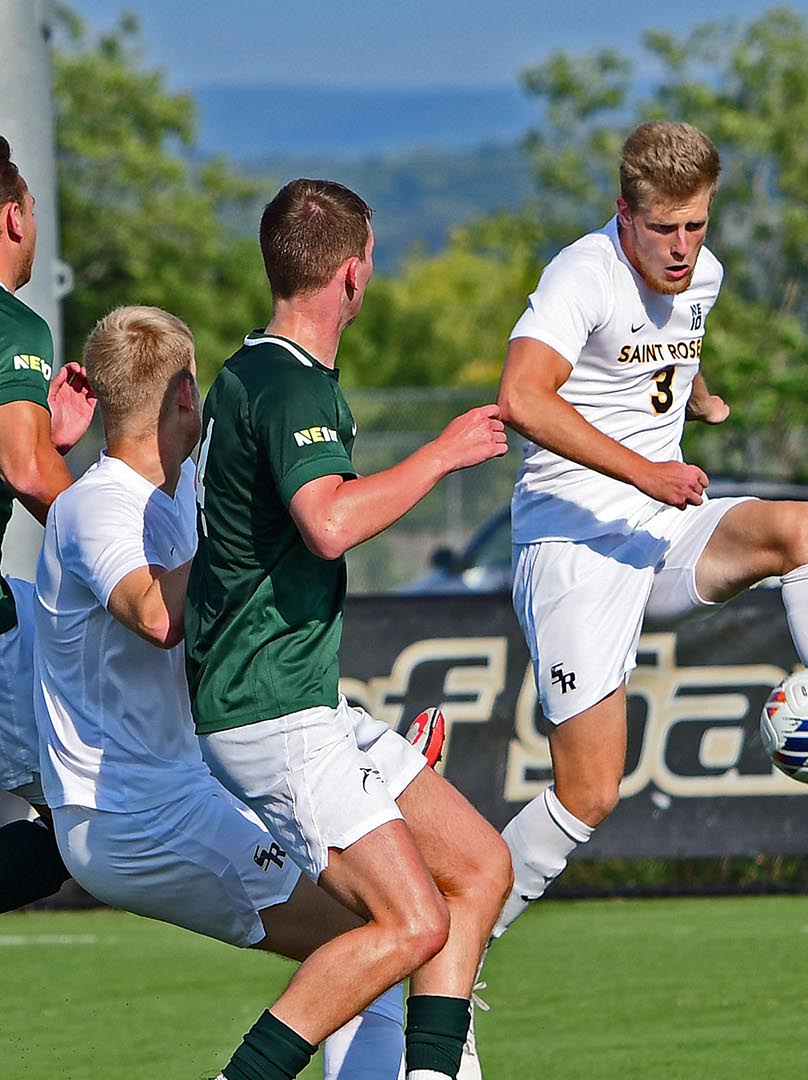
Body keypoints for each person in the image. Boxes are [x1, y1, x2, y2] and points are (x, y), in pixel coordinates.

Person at [490, 120, 808, 935]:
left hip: (660, 534)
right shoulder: (581, 275)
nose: (682, 246)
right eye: (662, 228)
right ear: (623, 212)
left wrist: (695, 395)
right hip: (572, 549)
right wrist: (646, 467)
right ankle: (458, 951)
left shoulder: (703, 274)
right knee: (589, 792)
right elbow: (522, 396)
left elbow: (658, 352)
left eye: (697, 225)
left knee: (802, 526)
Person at [34, 304, 412, 1080]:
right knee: (379, 931)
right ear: (184, 397)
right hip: (133, 815)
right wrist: (242, 531)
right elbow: (153, 613)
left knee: (386, 930)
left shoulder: (182, 488)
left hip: (178, 790)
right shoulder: (96, 504)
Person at [187, 179, 511, 1080]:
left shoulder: (248, 369)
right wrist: (443, 454)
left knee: (479, 868)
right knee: (409, 923)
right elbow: (326, 521)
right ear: (353, 273)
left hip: (296, 704)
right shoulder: (292, 386)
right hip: (272, 713)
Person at [0, 134, 94, 912]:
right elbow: (28, 474)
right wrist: (127, 548)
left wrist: (39, 436)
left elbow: (24, 457)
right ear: (13, 219)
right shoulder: (13, 326)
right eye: (31, 204)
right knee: (85, 811)